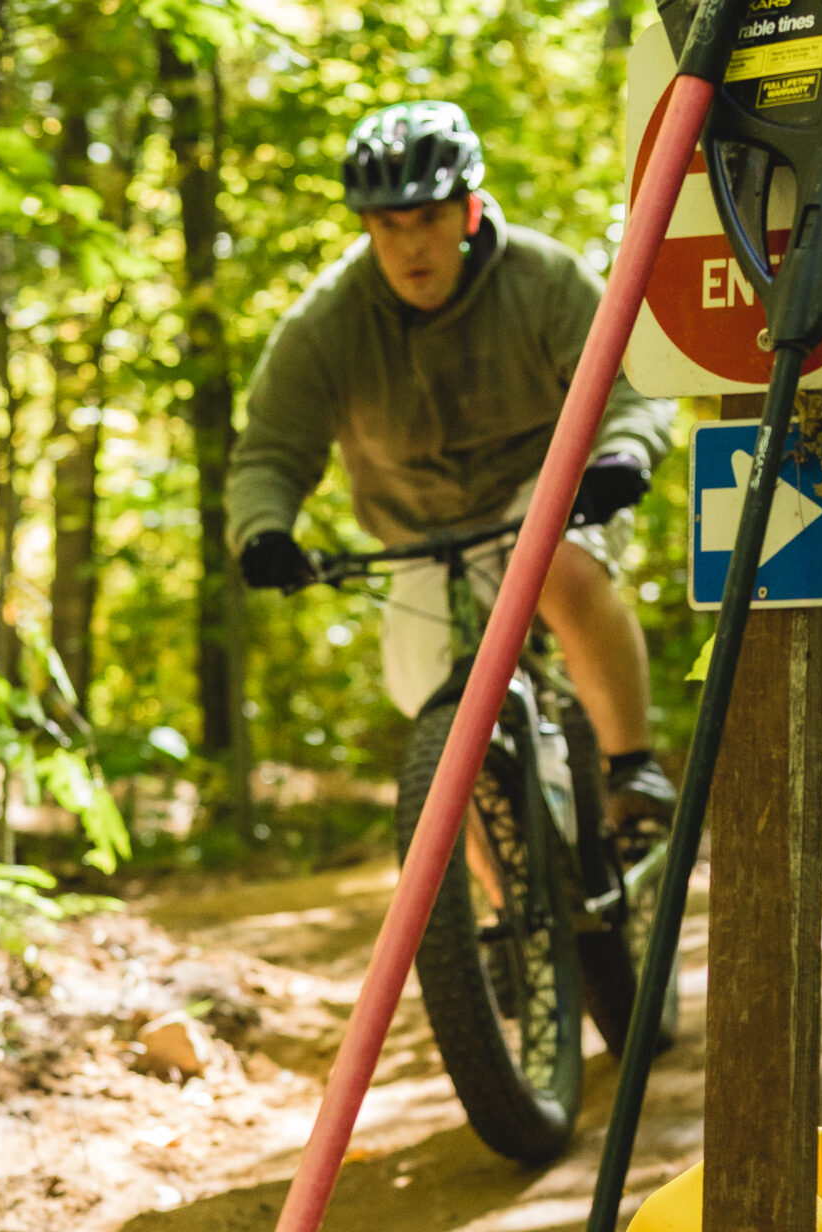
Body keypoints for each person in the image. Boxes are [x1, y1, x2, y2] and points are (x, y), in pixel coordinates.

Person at [225, 100, 679, 824]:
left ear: (467, 212)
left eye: (429, 220)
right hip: (420, 537)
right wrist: (263, 533)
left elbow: (628, 381)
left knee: (557, 564)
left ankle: (631, 767)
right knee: (444, 746)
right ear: (366, 228)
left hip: (551, 491)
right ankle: (502, 925)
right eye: (388, 226)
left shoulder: (541, 279)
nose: (412, 248)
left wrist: (620, 456)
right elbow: (272, 451)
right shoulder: (326, 324)